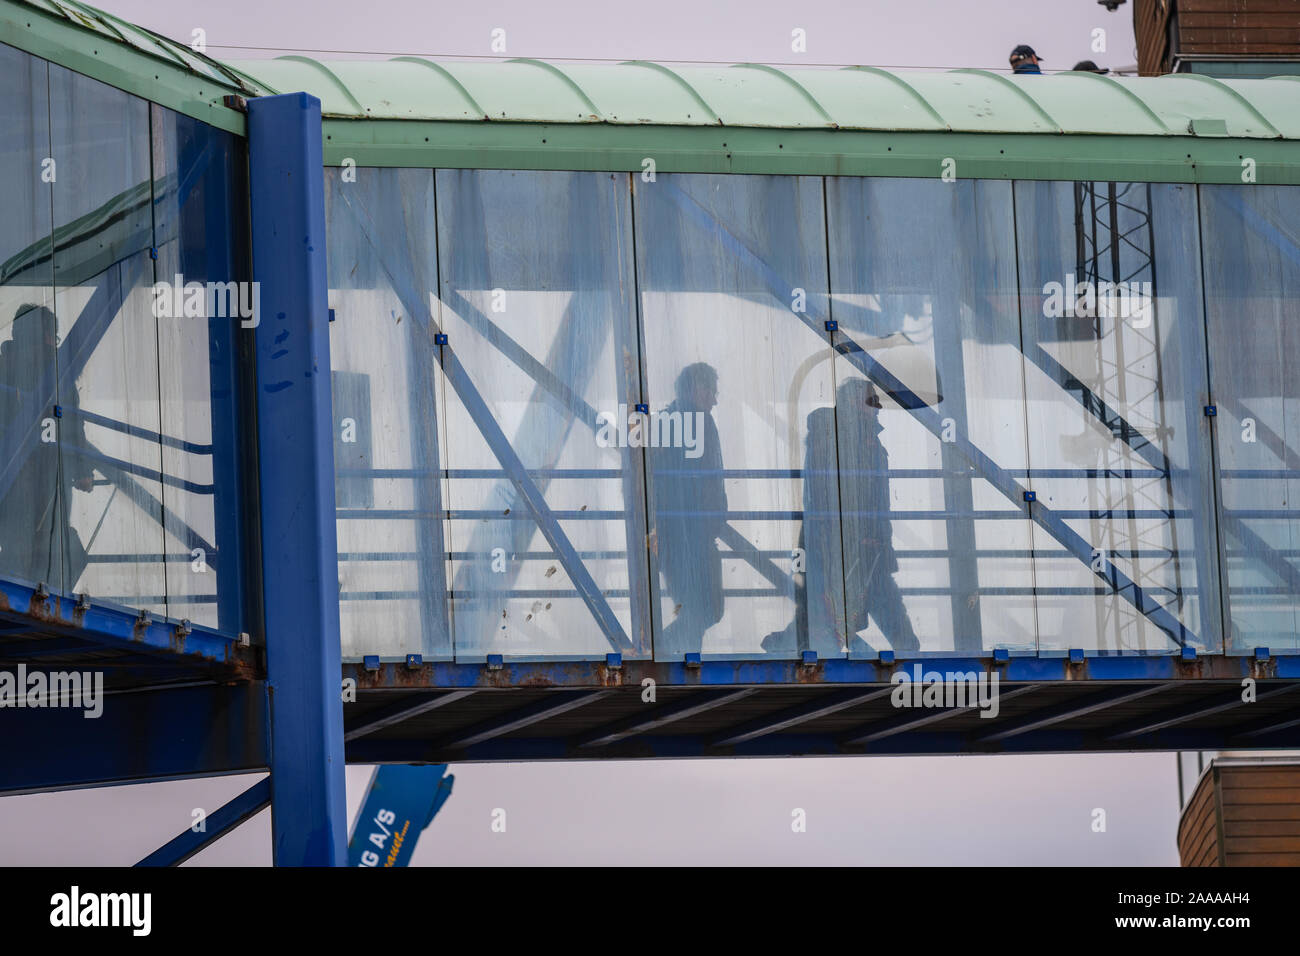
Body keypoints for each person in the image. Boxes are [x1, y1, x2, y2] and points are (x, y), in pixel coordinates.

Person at [0, 304, 95, 588]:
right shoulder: (56, 372)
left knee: (39, 537)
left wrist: (82, 467)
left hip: (43, 470)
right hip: (34, 471)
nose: (53, 341)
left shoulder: (46, 371)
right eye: (50, 335)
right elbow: (73, 422)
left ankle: (28, 588)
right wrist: (83, 468)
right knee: (39, 536)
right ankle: (36, 590)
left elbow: (72, 422)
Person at [836, 379, 919, 653]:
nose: (879, 406)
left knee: (837, 626)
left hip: (871, 551)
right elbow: (854, 494)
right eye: (872, 400)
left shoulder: (865, 441)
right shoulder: (851, 441)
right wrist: (862, 537)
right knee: (900, 636)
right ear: (852, 402)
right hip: (863, 553)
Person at [651, 362, 726, 657]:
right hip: (689, 535)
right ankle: (672, 655)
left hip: (679, 533)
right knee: (702, 608)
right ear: (696, 388)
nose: (715, 400)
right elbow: (706, 480)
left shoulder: (665, 421)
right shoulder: (698, 422)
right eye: (711, 391)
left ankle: (677, 658)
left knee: (702, 608)